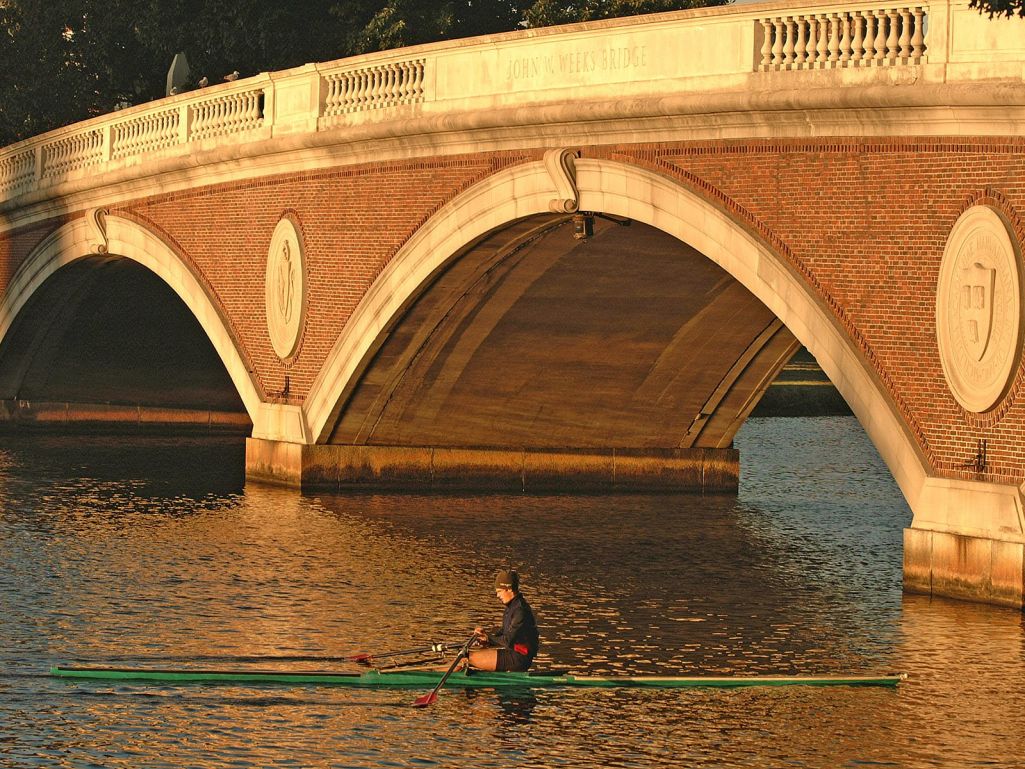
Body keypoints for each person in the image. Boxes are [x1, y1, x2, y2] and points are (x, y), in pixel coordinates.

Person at [468, 569, 539, 672]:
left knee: (466, 659)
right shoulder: (511, 607)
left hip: (519, 658)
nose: (498, 595)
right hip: (512, 653)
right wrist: (486, 639)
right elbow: (502, 634)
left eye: (499, 591)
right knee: (466, 654)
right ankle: (437, 671)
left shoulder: (520, 610)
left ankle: (438, 676)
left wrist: (489, 638)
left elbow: (508, 640)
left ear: (509, 589)